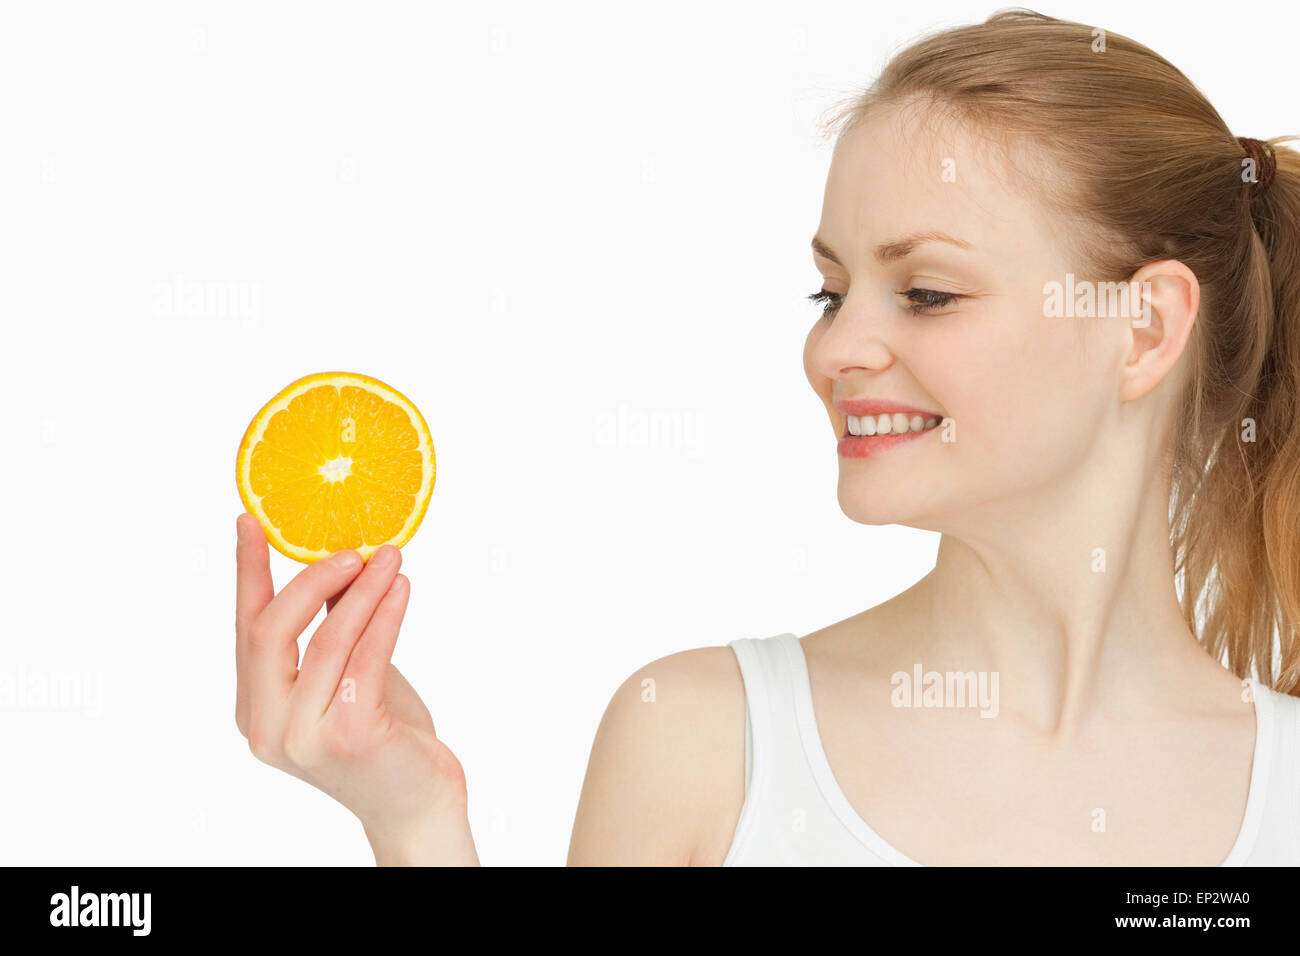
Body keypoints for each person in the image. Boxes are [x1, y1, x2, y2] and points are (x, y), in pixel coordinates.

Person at [233, 9, 1300, 865]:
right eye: (828, 291)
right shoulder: (702, 741)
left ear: (1142, 326)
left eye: (924, 292)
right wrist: (416, 824)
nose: (835, 349)